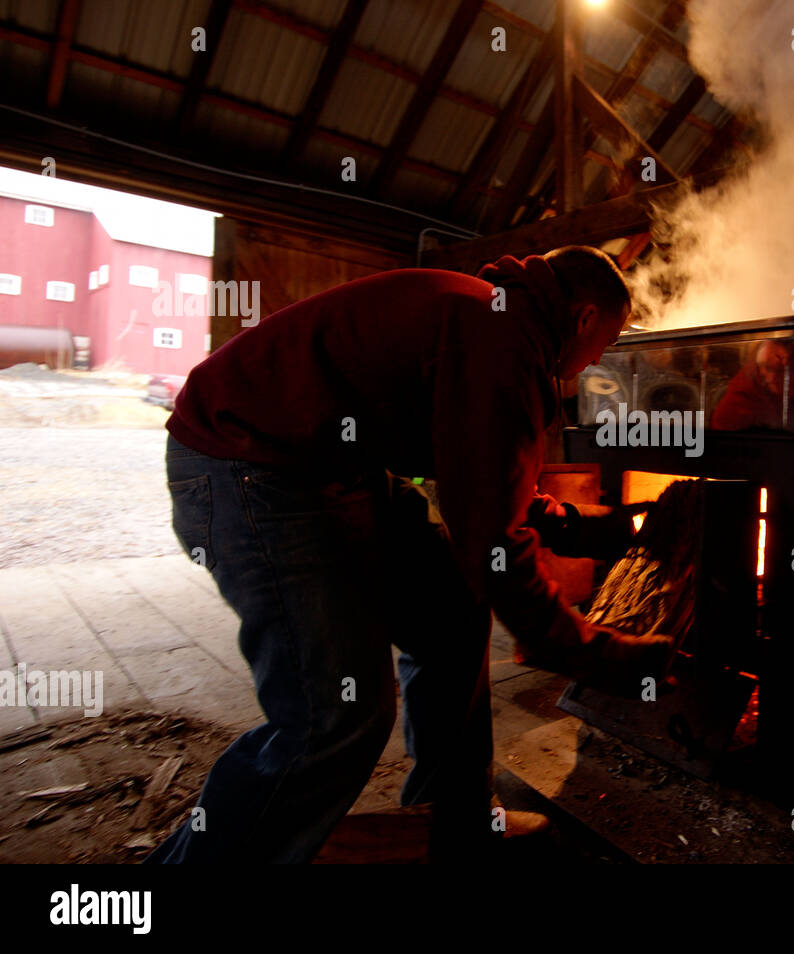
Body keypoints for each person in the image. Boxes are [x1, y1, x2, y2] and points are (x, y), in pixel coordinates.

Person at [146, 246, 670, 863]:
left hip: (333, 467)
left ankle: (456, 825)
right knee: (336, 716)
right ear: (583, 318)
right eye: (606, 342)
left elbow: (484, 485)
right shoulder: (500, 341)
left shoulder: (494, 319)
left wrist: (591, 530)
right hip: (250, 467)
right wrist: (595, 653)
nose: (599, 359)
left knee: (450, 612)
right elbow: (493, 542)